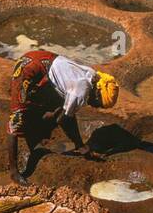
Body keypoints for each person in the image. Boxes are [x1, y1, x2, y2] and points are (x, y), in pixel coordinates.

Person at [7, 49, 119, 185]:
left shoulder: (92, 76)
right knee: (17, 118)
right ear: (96, 94)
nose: (95, 107)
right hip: (29, 68)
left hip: (43, 58)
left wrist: (79, 144)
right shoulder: (81, 91)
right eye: (98, 103)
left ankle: (35, 135)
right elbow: (65, 119)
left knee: (52, 104)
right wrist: (81, 145)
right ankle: (14, 172)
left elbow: (65, 107)